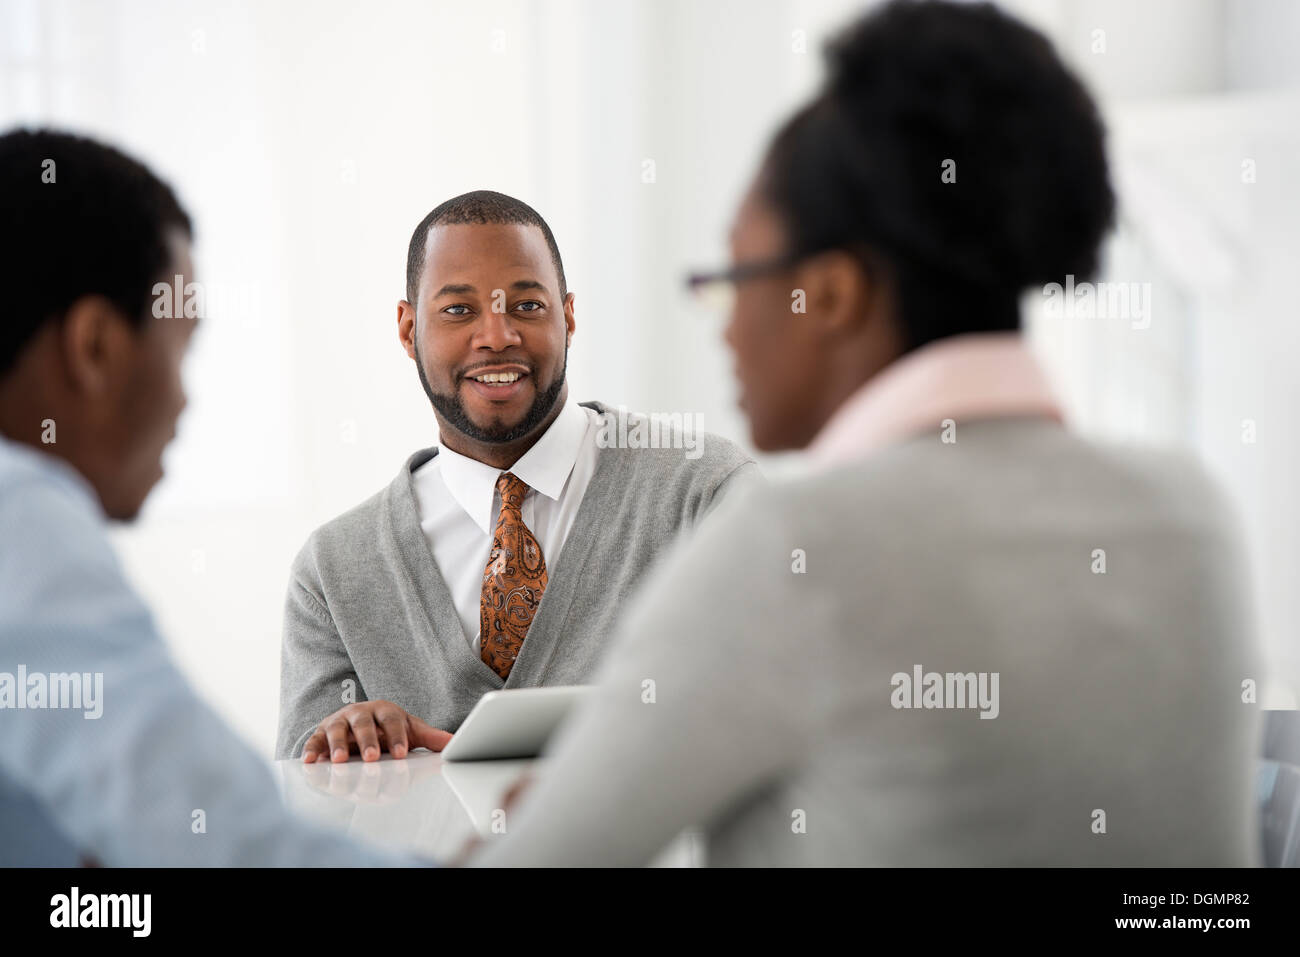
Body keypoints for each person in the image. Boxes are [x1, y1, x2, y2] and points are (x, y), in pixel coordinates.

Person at [468, 0, 1261, 866]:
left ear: (835, 296)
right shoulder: (1191, 516)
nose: (724, 326)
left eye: (735, 277)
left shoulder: (793, 547)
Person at [0, 128, 420, 865]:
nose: (184, 402)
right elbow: (223, 840)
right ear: (95, 346)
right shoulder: (19, 516)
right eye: (181, 343)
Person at [275, 190, 757, 763]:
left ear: (569, 316)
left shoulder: (704, 495)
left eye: (527, 306)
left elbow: (774, 715)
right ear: (408, 331)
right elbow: (306, 806)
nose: (497, 336)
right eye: (458, 310)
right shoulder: (333, 572)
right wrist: (349, 749)